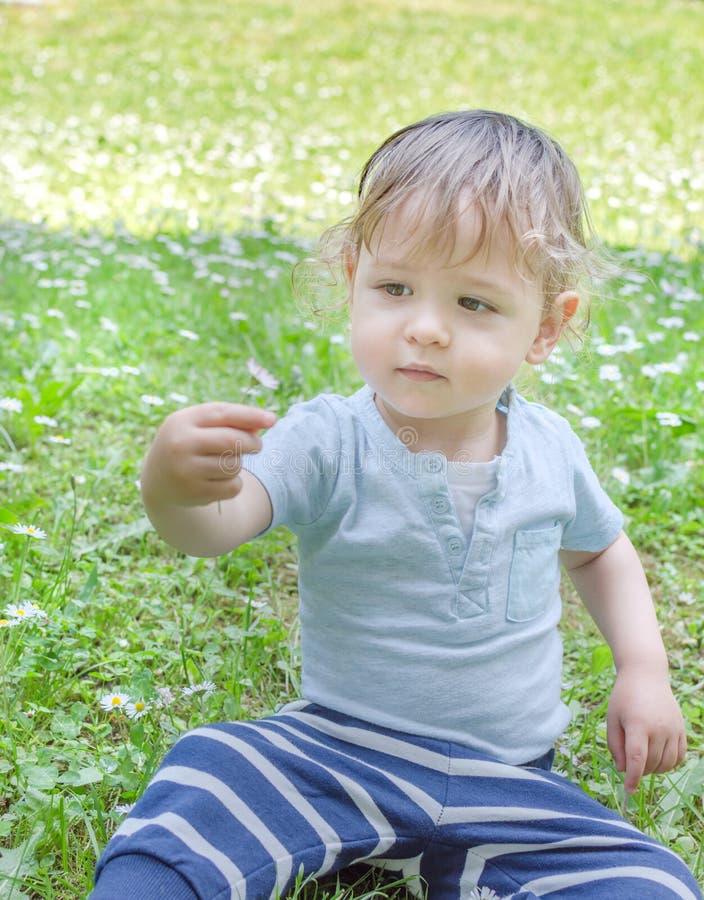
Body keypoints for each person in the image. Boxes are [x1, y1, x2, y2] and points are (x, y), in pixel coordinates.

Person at [91, 110, 701, 900]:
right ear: (354, 282)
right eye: (395, 288)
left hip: (511, 782)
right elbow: (215, 528)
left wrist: (644, 669)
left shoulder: (550, 449)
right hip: (335, 757)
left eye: (474, 303)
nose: (425, 328)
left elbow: (600, 550)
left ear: (548, 327)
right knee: (207, 781)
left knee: (650, 880)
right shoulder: (327, 439)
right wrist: (172, 487)